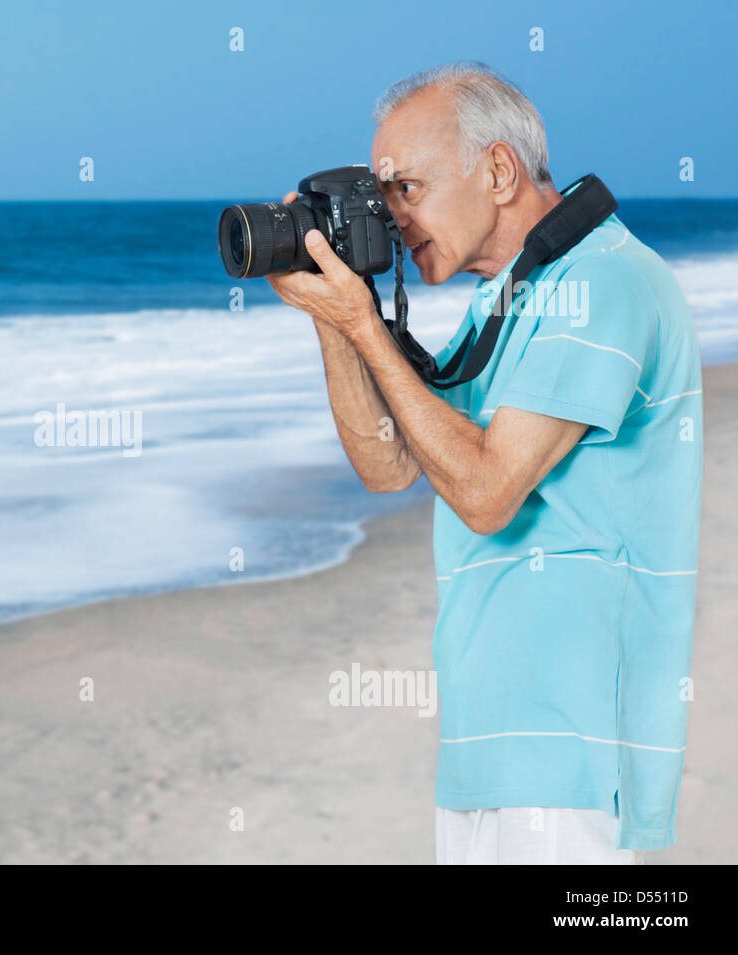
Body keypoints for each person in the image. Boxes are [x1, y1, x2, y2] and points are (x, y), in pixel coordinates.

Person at [266, 62, 702, 864]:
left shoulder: (604, 282)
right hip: (490, 743)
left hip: (573, 747)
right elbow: (392, 465)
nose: (391, 217)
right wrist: (332, 320)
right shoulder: (509, 297)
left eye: (407, 188)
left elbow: (487, 492)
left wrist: (367, 327)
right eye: (381, 195)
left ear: (498, 170)